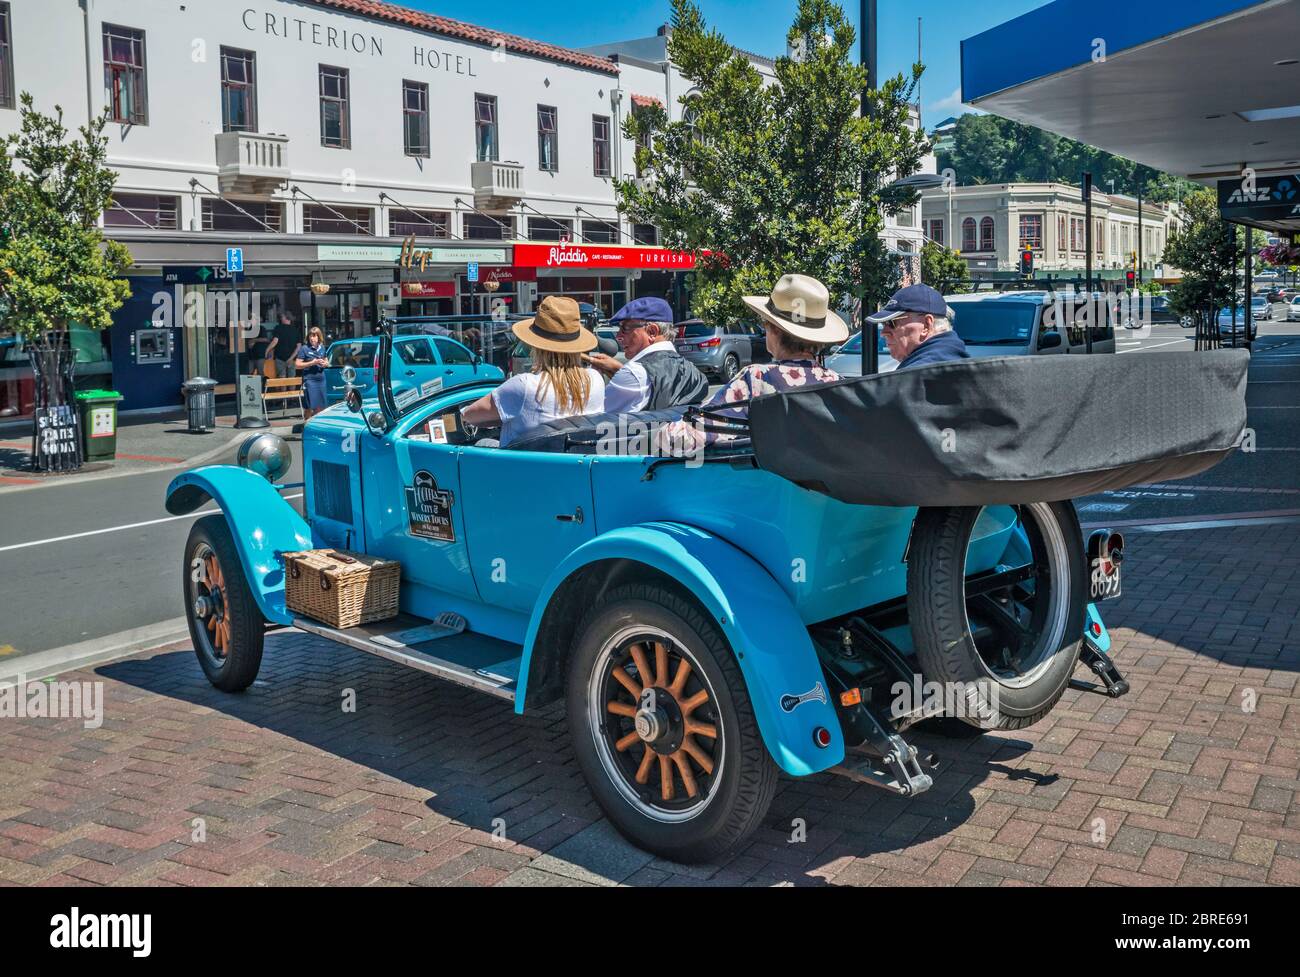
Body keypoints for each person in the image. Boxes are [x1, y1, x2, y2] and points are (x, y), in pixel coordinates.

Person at [657, 274, 847, 455]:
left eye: (766, 323)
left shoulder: (756, 379)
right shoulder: (839, 384)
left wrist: (660, 433)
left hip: (763, 487)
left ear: (775, 330)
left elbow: (681, 439)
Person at [461, 296, 605, 447]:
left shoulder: (525, 385)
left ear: (537, 345)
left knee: (482, 443)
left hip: (522, 466)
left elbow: (469, 416)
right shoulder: (595, 380)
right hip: (575, 464)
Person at [589, 297, 707, 412]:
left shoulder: (634, 374)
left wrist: (595, 379)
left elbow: (593, 418)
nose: (618, 336)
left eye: (625, 328)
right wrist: (621, 370)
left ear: (652, 332)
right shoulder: (696, 375)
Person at [867, 284, 970, 369]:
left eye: (891, 323)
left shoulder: (914, 377)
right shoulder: (957, 362)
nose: (883, 333)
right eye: (883, 323)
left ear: (926, 325)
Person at [293, 326, 330, 420]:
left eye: (314, 336)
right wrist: (311, 363)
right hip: (309, 380)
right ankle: (306, 424)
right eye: (310, 336)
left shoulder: (322, 348)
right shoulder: (304, 349)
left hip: (321, 379)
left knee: (321, 406)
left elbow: (327, 361)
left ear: (319, 337)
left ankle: (318, 425)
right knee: (309, 405)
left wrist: (325, 363)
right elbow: (297, 364)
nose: (312, 338)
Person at [266, 313, 302, 379]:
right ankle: (293, 390)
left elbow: (275, 341)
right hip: (292, 359)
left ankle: (284, 390)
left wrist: (267, 350)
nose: (281, 318)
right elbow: (298, 347)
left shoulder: (278, 328)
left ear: (286, 318)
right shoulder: (296, 330)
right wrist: (291, 358)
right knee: (292, 379)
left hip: (280, 358)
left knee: (282, 378)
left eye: (282, 317)